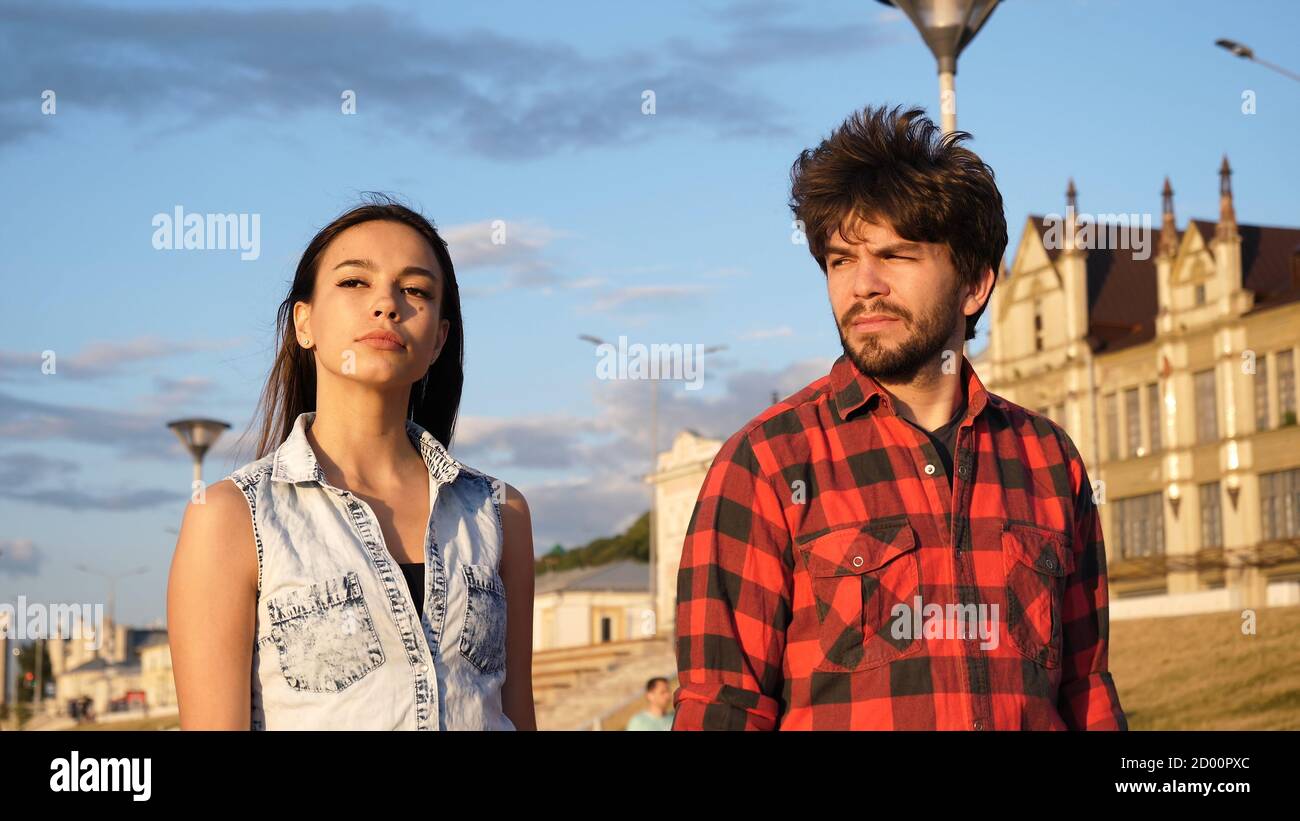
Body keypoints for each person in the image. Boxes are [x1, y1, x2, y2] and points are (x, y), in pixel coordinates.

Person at [672, 106, 1126, 731]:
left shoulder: (1049, 461)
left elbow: (1086, 691)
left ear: (974, 285)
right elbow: (722, 709)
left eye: (895, 256)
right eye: (839, 261)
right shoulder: (767, 464)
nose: (862, 285)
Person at [168, 196, 536, 730]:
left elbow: (517, 712)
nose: (387, 304)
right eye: (355, 282)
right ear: (304, 322)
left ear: (438, 338)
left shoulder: (500, 512)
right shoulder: (231, 516)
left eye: (415, 290)